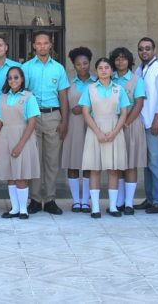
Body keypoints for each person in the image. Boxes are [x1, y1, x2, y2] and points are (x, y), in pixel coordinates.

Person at [21, 31, 68, 215]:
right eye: (38, 43)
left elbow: (63, 96)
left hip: (52, 116)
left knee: (51, 161)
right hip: (31, 118)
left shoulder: (58, 68)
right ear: (34, 45)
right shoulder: (25, 68)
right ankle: (34, 199)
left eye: (45, 43)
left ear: (50, 45)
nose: (42, 46)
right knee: (34, 160)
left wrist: (65, 121)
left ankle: (49, 199)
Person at [80, 57, 131, 217]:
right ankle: (95, 207)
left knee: (113, 169)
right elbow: (86, 113)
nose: (103, 70)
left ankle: (113, 206)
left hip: (114, 129)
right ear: (96, 71)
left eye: (106, 67)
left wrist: (115, 131)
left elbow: (124, 112)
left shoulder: (119, 89)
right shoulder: (90, 89)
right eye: (100, 68)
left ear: (111, 70)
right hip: (95, 129)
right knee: (94, 169)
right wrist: (98, 132)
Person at [0, 66, 40, 219]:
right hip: (5, 136)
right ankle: (14, 209)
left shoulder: (28, 97)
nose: (13, 80)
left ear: (22, 79)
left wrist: (20, 145)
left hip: (22, 137)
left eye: (16, 77)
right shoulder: (2, 97)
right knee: (10, 175)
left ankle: (23, 210)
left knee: (20, 175)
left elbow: (32, 122)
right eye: (10, 78)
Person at [134, 37, 158, 213]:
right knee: (147, 164)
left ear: (154, 50)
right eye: (141, 49)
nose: (144, 52)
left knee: (156, 162)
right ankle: (150, 198)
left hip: (156, 122)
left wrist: (157, 119)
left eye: (148, 48)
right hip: (143, 123)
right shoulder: (139, 69)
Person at [111, 46, 146, 215]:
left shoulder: (136, 80)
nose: (120, 61)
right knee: (117, 163)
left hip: (131, 124)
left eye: (124, 58)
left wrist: (126, 122)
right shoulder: (109, 79)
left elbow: (139, 103)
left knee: (131, 163)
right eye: (117, 58)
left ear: (129, 61)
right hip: (112, 125)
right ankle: (119, 201)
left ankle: (129, 203)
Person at [62, 47, 93, 213]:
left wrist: (82, 107)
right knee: (73, 163)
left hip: (91, 126)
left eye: (85, 63)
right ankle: (76, 200)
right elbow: (65, 106)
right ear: (74, 65)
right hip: (73, 126)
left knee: (89, 163)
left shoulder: (96, 82)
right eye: (78, 64)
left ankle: (85, 200)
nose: (83, 66)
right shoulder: (68, 84)